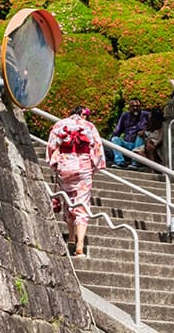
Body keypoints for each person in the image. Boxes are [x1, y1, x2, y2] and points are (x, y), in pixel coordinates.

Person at [46, 105, 106, 256]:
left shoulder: (60, 124)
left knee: (68, 201)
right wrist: (95, 167)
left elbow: (52, 146)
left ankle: (71, 236)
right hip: (83, 167)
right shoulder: (89, 126)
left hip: (65, 166)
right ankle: (80, 245)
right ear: (83, 115)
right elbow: (97, 148)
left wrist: (54, 164)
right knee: (82, 204)